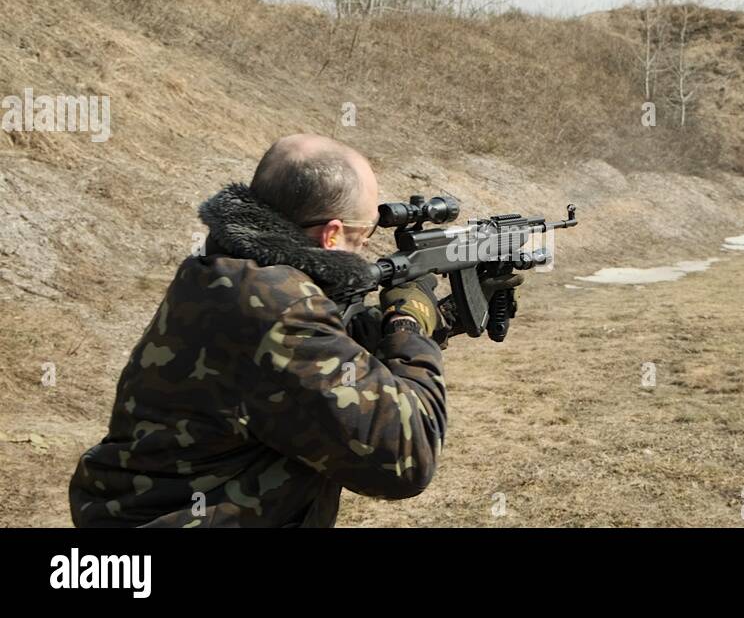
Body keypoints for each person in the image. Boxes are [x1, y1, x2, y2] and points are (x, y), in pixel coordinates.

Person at [68, 134, 515, 527]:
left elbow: (344, 370)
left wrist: (446, 314)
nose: (364, 255)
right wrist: (408, 321)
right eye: (364, 237)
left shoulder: (227, 272)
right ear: (332, 235)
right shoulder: (277, 306)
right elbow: (404, 457)